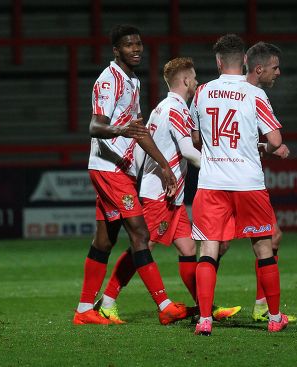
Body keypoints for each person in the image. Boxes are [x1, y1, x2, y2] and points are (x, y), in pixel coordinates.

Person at [95, 57, 241, 323]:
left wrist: (140, 177)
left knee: (187, 250)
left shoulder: (161, 108)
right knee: (141, 247)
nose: (196, 81)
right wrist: (219, 167)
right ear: (185, 80)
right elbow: (186, 151)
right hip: (160, 195)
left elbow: (142, 146)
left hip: (169, 195)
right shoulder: (177, 109)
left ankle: (205, 307)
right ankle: (107, 300)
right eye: (194, 77)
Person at [73, 24, 187, 325]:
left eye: (138, 44)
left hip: (121, 169)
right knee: (140, 232)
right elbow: (95, 127)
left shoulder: (132, 81)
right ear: (116, 50)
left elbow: (139, 131)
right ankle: (164, 306)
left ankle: (85, 310)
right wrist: (120, 130)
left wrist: (163, 164)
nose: (135, 49)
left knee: (104, 242)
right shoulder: (109, 81)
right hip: (109, 168)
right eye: (128, 45)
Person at [190, 34, 289, 335]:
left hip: (212, 182)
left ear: (218, 61)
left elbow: (196, 140)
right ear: (244, 60)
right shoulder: (253, 94)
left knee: (208, 249)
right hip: (248, 183)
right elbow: (275, 140)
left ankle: (205, 319)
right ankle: (273, 318)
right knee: (263, 248)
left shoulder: (202, 92)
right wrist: (263, 148)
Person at [216, 41, 296, 323]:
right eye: (275, 68)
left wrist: (263, 147)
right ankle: (202, 306)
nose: (279, 73)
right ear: (259, 68)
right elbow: (273, 139)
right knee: (220, 245)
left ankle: (261, 306)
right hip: (237, 182)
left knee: (271, 237)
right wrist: (271, 146)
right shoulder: (249, 94)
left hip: (226, 179)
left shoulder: (227, 91)